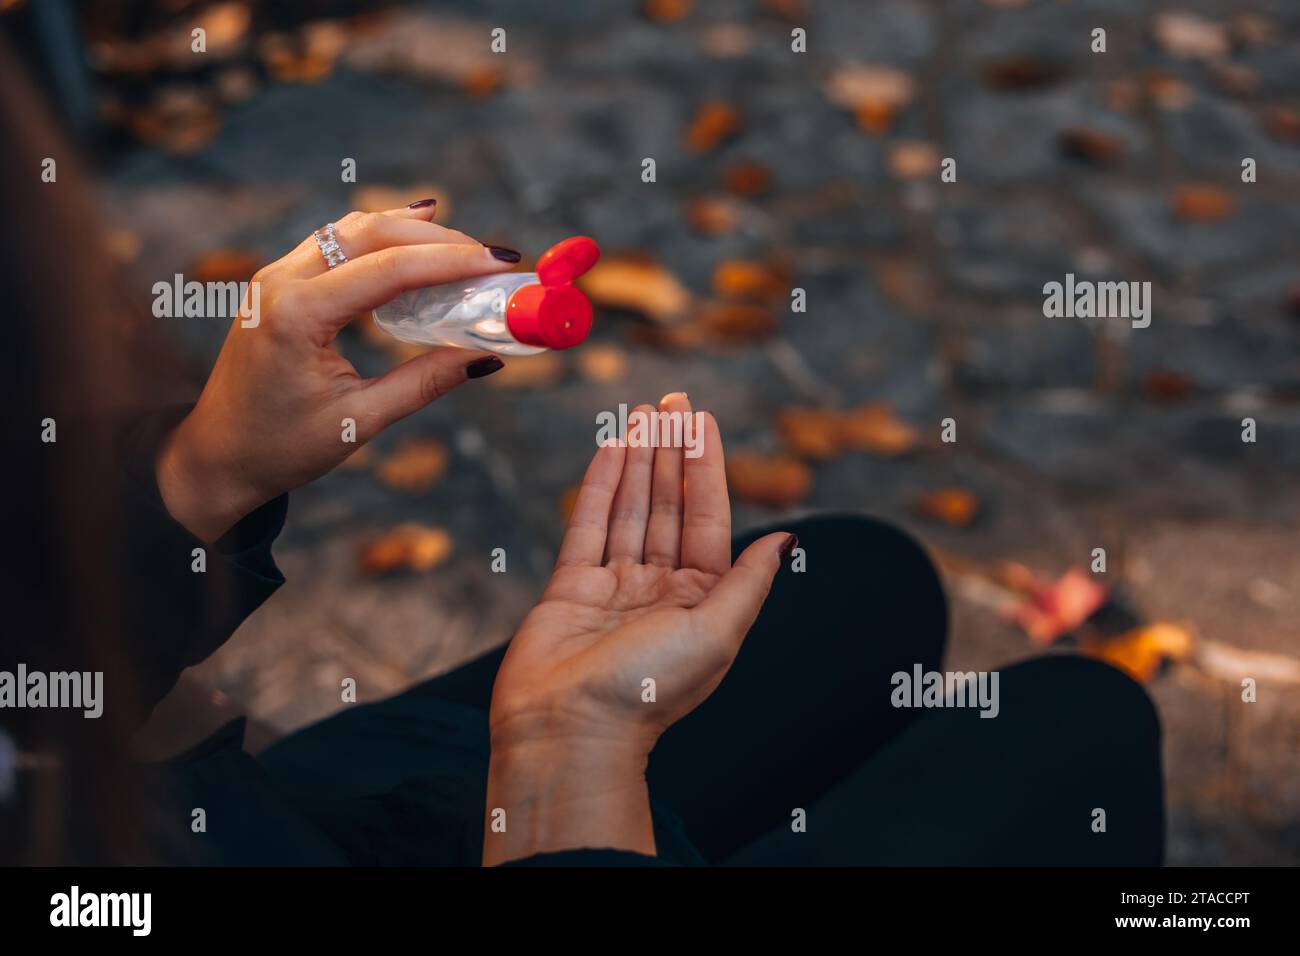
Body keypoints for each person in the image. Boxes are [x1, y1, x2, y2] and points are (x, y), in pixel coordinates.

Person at [0, 40, 1164, 866]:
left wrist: (201, 475)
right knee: (1081, 731)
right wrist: (568, 754)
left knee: (863, 580)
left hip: (287, 821)